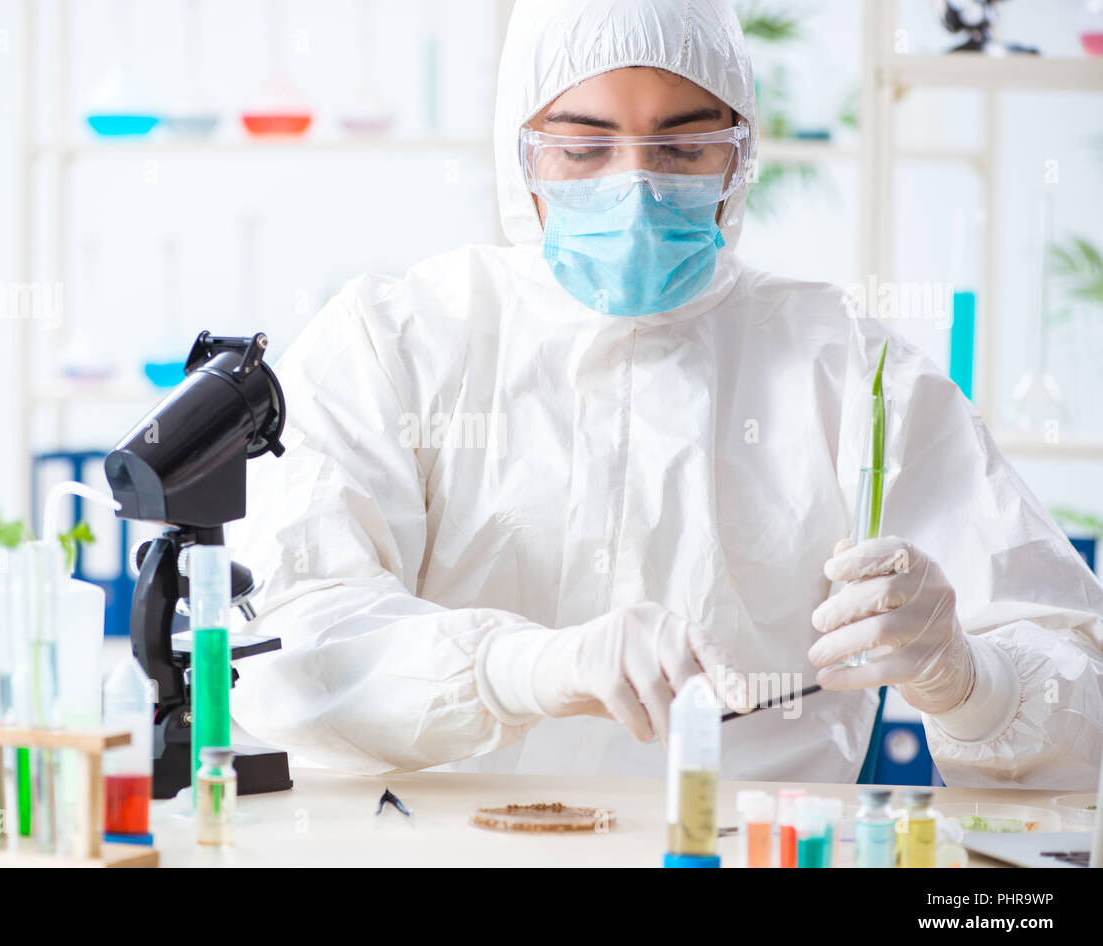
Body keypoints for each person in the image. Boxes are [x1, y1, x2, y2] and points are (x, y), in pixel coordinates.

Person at [226, 0, 1103, 788]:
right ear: (518, 151)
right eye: (582, 146)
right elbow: (281, 650)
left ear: (740, 151)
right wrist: (523, 668)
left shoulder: (853, 373)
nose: (637, 187)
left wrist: (965, 675)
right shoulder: (397, 341)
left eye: (684, 147)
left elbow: (1081, 698)